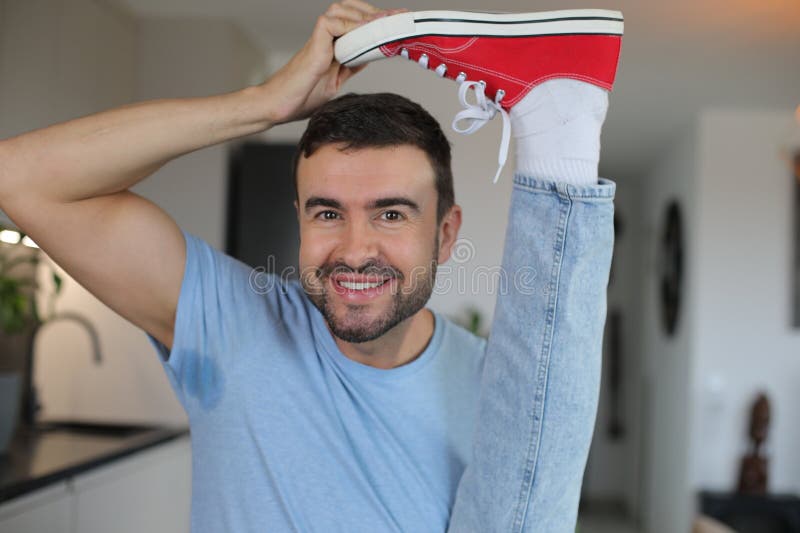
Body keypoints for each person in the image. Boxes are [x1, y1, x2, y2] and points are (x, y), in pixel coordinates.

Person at [0, 2, 622, 531]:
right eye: (328, 214)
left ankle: (556, 126)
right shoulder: (234, 323)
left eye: (391, 215)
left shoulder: (509, 398)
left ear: (446, 232)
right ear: (298, 217)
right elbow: (21, 177)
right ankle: (557, 128)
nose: (354, 250)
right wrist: (263, 105)